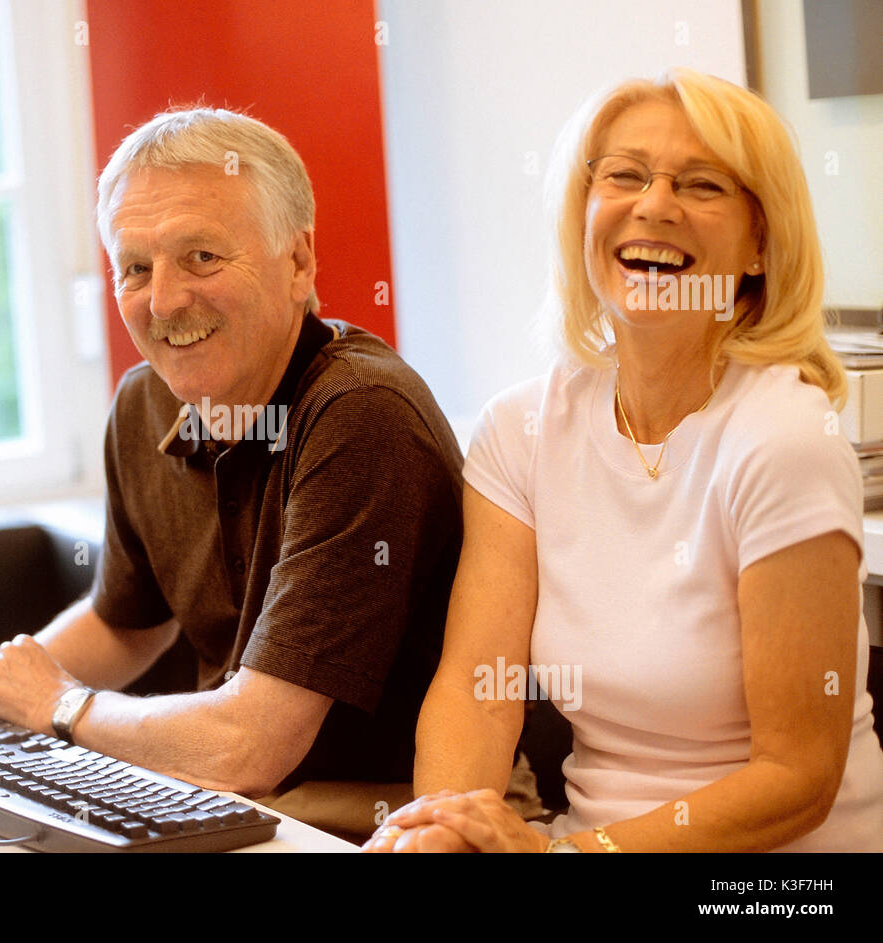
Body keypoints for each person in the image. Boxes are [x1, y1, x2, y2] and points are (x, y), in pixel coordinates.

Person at [0, 108, 464, 819]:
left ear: (299, 262)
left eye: (202, 256)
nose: (165, 300)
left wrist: (59, 705)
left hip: (389, 813)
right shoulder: (146, 402)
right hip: (245, 796)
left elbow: (252, 744)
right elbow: (125, 624)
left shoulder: (361, 414)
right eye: (135, 268)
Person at [365, 68, 883, 853]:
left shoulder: (784, 440)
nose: (654, 204)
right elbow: (479, 690)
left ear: (759, 243)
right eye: (625, 175)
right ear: (582, 214)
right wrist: (446, 827)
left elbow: (798, 777)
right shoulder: (521, 429)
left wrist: (573, 855)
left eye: (702, 185)